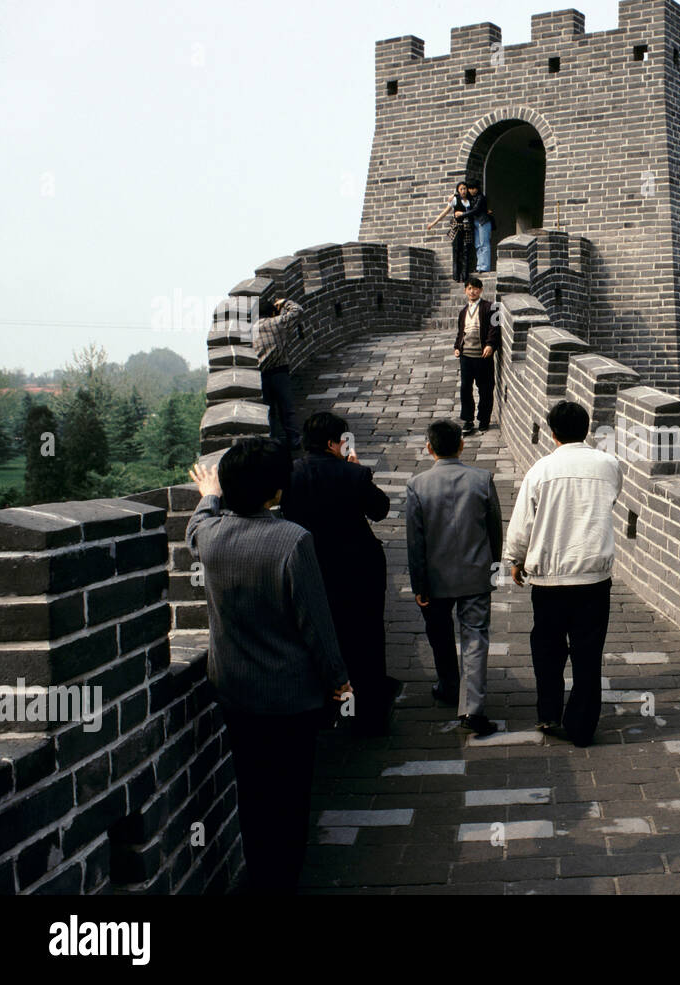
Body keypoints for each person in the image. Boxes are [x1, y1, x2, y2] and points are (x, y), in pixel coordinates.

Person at [186, 438, 350, 894]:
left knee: (253, 796)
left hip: (236, 695)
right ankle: (284, 882)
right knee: (291, 798)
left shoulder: (210, 537)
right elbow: (315, 623)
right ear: (275, 491)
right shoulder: (292, 540)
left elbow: (195, 528)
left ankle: (262, 881)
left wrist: (210, 494)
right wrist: (339, 680)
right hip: (291, 698)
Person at [504, 401, 622, 747]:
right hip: (593, 578)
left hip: (549, 579)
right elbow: (610, 501)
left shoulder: (541, 470)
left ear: (552, 432)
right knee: (588, 653)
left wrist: (515, 558)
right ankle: (582, 726)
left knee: (547, 649)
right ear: (586, 429)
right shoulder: (609, 465)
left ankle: (548, 713)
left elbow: (524, 520)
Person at [279, 411, 397, 737]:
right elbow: (381, 510)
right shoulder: (351, 474)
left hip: (311, 569)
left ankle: (326, 713)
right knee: (366, 641)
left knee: (319, 638)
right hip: (359, 571)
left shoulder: (290, 476)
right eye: (343, 440)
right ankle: (368, 717)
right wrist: (357, 471)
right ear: (333, 443)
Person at [405, 419, 502, 737]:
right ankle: (472, 708)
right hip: (475, 575)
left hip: (434, 580)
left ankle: (448, 685)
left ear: (429, 448)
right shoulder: (482, 479)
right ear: (462, 445)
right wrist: (494, 569)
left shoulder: (417, 485)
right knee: (475, 638)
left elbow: (415, 541)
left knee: (440, 634)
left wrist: (419, 584)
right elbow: (494, 531)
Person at [251, 297, 303, 451]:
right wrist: (285, 302)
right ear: (271, 312)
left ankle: (272, 445)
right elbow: (298, 311)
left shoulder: (249, 330)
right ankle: (294, 441)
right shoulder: (277, 323)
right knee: (287, 409)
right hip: (280, 372)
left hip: (260, 375)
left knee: (269, 411)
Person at [453, 276, 500, 435]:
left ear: (481, 290)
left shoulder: (492, 307)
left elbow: (495, 328)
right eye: (469, 288)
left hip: (483, 356)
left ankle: (484, 419)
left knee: (485, 388)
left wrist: (491, 344)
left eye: (476, 288)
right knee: (465, 388)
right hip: (466, 356)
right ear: (466, 291)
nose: (472, 291)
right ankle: (468, 420)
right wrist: (457, 347)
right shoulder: (463, 311)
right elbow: (461, 332)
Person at [426, 181, 475, 283]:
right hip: (458, 228)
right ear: (458, 190)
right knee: (457, 251)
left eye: (465, 189)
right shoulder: (455, 200)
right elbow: (444, 212)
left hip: (467, 229)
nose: (463, 191)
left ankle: (465, 276)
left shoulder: (470, 201)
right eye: (461, 189)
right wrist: (433, 223)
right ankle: (456, 276)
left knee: (466, 251)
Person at [463, 177, 493, 274]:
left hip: (483, 222)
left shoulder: (481, 197)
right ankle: (479, 265)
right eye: (470, 188)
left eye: (474, 188)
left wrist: (462, 214)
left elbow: (476, 210)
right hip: (476, 223)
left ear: (477, 188)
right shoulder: (470, 198)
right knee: (478, 245)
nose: (472, 190)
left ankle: (485, 266)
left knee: (484, 244)